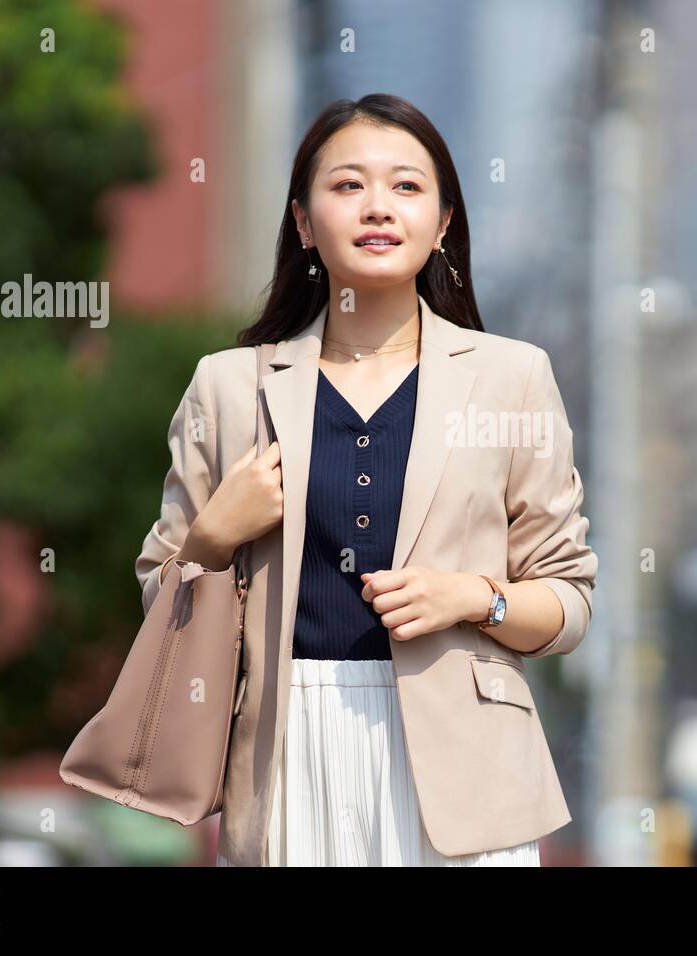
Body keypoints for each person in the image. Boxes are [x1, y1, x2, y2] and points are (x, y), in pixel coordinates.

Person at [136, 93, 598, 866]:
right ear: (304, 222)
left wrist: (472, 598)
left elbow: (571, 602)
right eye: (348, 185)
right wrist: (216, 532)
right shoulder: (228, 386)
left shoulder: (513, 378)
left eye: (407, 187)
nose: (379, 206)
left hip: (466, 770)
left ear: (444, 222)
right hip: (285, 753)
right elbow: (162, 601)